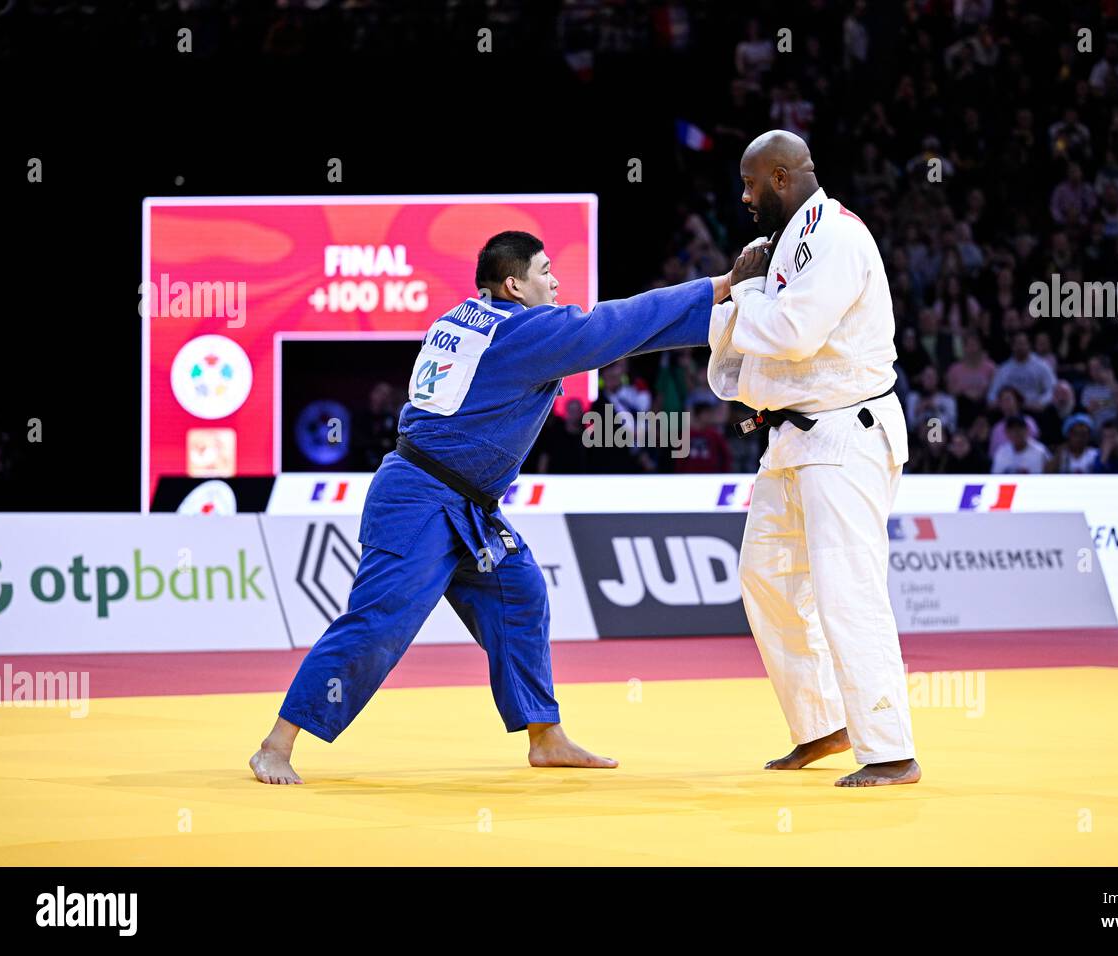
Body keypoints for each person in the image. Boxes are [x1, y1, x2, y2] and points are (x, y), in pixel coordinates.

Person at [250, 231, 737, 784]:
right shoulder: (521, 333)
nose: (555, 282)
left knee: (519, 592)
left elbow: (610, 339)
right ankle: (276, 744)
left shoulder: (465, 318)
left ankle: (545, 736)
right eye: (546, 272)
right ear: (514, 284)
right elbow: (616, 326)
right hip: (420, 502)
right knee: (377, 624)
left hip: (465, 505)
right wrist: (718, 287)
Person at [708, 130, 920, 788]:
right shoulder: (783, 247)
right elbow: (750, 356)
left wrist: (738, 294)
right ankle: (822, 722)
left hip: (847, 434)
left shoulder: (834, 237)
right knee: (766, 575)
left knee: (847, 591)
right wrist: (742, 294)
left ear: (781, 178)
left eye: (750, 184)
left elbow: (794, 334)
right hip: (793, 438)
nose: (743, 197)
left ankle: (890, 750)